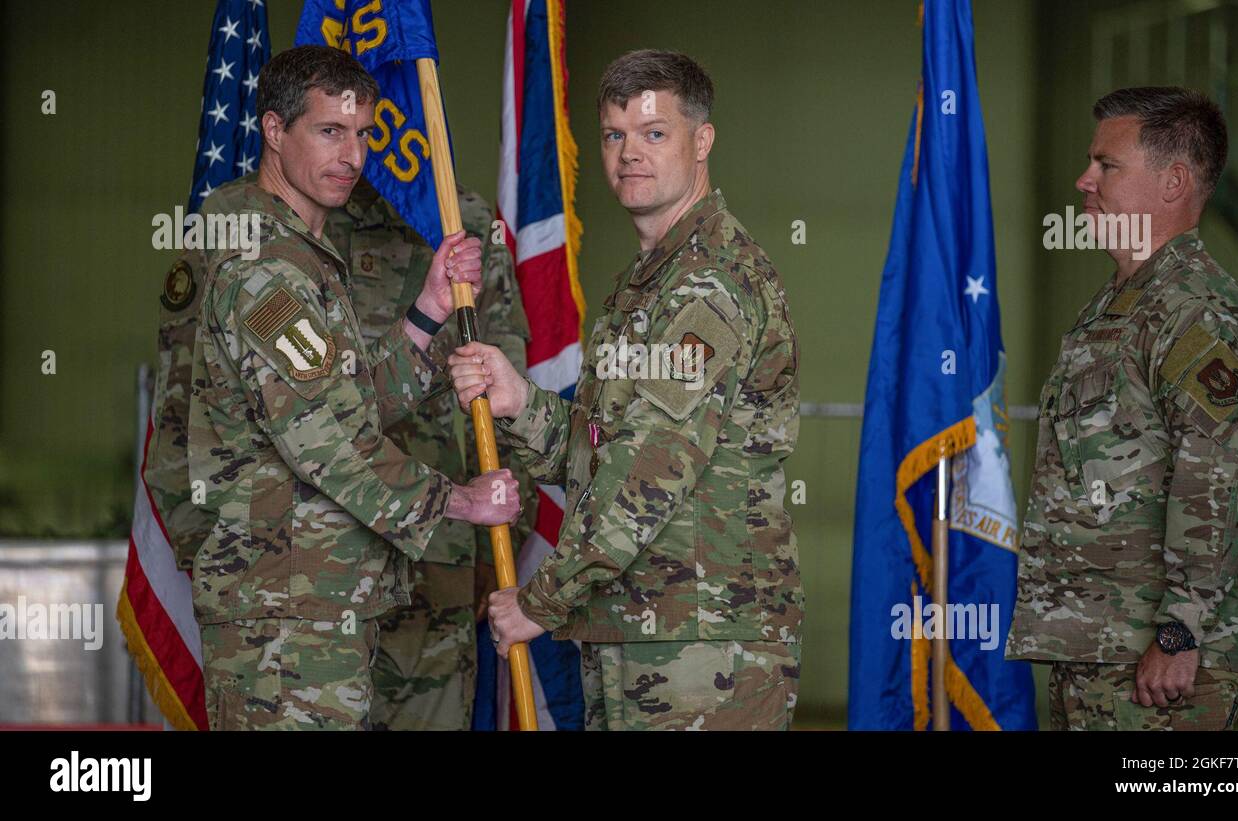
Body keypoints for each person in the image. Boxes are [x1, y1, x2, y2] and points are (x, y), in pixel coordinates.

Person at [449, 50, 802, 730]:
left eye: (653, 133)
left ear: (702, 141)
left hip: (704, 651)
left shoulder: (709, 283)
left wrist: (539, 601)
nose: (628, 153)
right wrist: (519, 399)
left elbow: (648, 472)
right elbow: (601, 452)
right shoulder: (646, 284)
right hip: (638, 632)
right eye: (614, 135)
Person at [187, 45, 520, 730]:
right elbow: (328, 442)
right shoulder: (265, 265)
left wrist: (427, 314)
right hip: (283, 620)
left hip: (314, 605)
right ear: (275, 131)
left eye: (364, 133)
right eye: (329, 131)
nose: (353, 155)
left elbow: (348, 401)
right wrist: (458, 499)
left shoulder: (299, 249)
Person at [1005, 87, 1238, 730]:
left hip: (1164, 665)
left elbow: (1219, 481)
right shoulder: (1119, 304)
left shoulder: (1198, 312)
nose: (1084, 180)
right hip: (1100, 650)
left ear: (1173, 181)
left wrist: (1181, 634)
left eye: (1107, 166)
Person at [327, 177, 535, 730]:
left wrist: (507, 538)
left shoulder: (457, 216)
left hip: (439, 556)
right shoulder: (293, 216)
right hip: (319, 554)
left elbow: (505, 382)